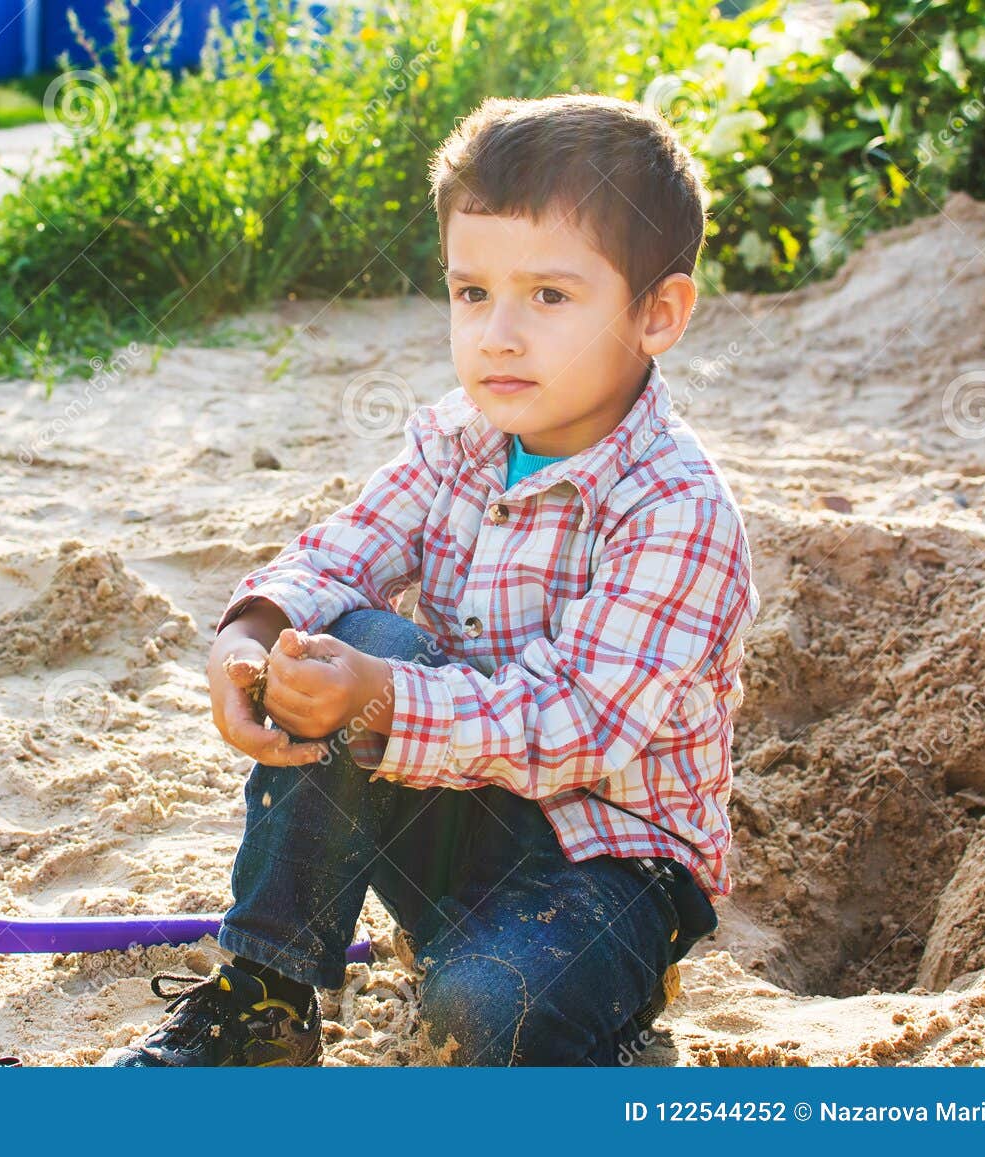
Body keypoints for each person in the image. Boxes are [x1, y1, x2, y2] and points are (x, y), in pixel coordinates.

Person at [98, 93, 760, 1067]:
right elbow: (349, 545)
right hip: (455, 812)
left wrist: (383, 697)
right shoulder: (459, 437)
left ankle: (582, 1013)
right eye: (469, 292)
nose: (497, 334)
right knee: (353, 637)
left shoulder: (675, 510)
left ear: (655, 311)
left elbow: (574, 722)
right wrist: (254, 625)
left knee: (488, 1006)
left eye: (548, 297)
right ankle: (265, 999)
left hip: (610, 868)